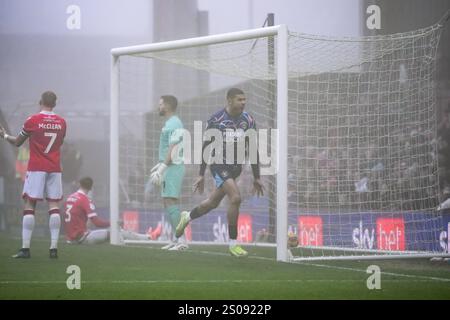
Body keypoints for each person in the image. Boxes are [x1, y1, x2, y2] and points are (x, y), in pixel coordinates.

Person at [175, 88, 264, 257]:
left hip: (236, 168)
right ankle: (233, 244)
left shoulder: (249, 120)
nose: (243, 103)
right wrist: (201, 173)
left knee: (212, 203)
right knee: (236, 198)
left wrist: (257, 177)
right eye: (239, 99)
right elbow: (206, 147)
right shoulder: (216, 119)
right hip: (218, 165)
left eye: (244, 99)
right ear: (229, 100)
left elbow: (252, 149)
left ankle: (187, 216)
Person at [0, 91, 66, 259]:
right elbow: (59, 142)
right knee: (54, 205)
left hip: (37, 167)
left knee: (30, 205)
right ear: (55, 104)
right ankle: (53, 249)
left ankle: (25, 249)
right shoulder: (62, 122)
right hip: (54, 168)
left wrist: (5, 135)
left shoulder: (33, 120)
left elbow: (17, 143)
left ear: (40, 101)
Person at [64, 177, 160, 244]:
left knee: (114, 230)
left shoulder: (70, 197)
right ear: (90, 188)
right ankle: (149, 237)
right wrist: (113, 222)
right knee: (115, 231)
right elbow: (97, 223)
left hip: (70, 238)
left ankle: (148, 237)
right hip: (81, 239)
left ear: (79, 184)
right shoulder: (84, 199)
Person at [149, 95, 187, 251]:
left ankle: (182, 240)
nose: (158, 107)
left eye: (160, 104)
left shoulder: (175, 123)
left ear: (167, 106)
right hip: (168, 166)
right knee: (167, 202)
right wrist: (159, 165)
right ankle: (176, 238)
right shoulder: (170, 123)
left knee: (170, 201)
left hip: (173, 167)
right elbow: (167, 149)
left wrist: (162, 167)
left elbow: (173, 149)